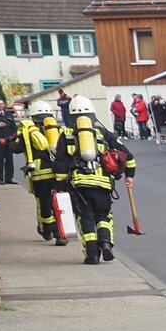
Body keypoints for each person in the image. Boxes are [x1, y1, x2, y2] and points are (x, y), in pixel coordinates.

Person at [60, 100, 120, 263]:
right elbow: (125, 155)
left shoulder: (66, 134)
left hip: (80, 185)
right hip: (103, 184)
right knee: (103, 215)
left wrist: (59, 186)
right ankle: (106, 243)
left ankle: (92, 254)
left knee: (85, 217)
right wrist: (129, 173)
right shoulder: (102, 133)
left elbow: (60, 163)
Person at [22, 105, 68, 245]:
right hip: (58, 173)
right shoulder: (60, 130)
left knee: (44, 203)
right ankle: (61, 234)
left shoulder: (29, 132)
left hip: (39, 175)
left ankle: (47, 230)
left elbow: (15, 147)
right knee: (59, 203)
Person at [0, 99, 19, 185]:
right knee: (0, 160)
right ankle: (0, 178)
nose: (0, 105)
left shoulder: (8, 114)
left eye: (2, 104)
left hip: (8, 139)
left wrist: (15, 136)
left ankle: (9, 178)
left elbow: (13, 126)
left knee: (9, 160)